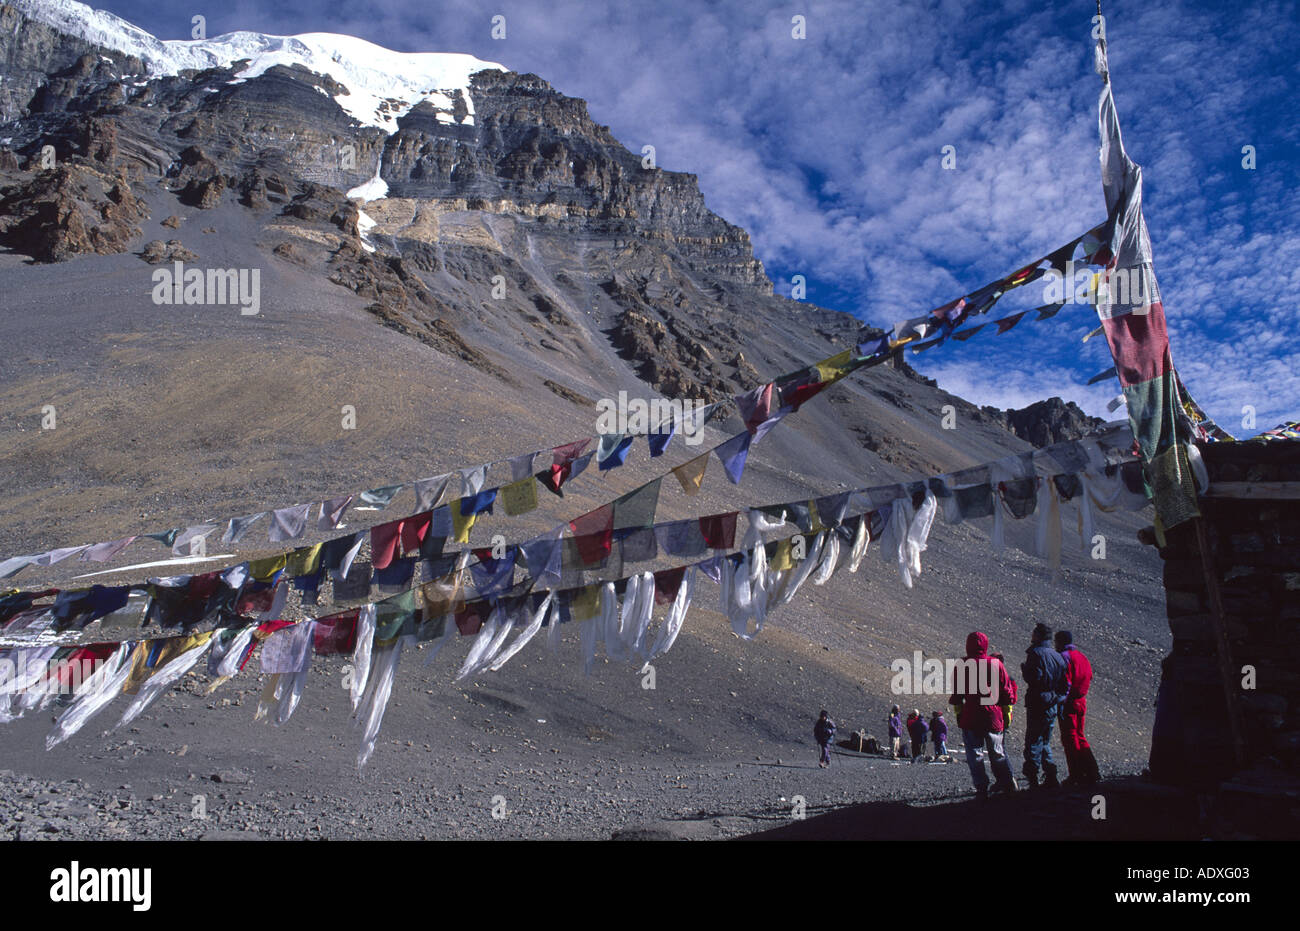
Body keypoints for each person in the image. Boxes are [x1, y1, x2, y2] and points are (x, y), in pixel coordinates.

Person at [949, 631, 1017, 799]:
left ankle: (981, 787)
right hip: (993, 715)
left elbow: (957, 694)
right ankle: (1007, 782)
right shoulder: (995, 664)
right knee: (997, 752)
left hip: (971, 715)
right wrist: (1006, 711)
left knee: (975, 755)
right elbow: (1007, 693)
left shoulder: (962, 665)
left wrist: (959, 713)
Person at [1020, 623, 1068, 789]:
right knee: (1045, 739)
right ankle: (1051, 774)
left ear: (1038, 636)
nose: (1031, 635)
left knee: (1033, 740)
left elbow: (1035, 678)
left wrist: (1025, 671)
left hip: (1038, 702)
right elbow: (1063, 684)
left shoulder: (1035, 654)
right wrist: (1057, 698)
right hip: (1052, 703)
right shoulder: (1057, 656)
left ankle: (1033, 778)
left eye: (1034, 633)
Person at [1055, 631, 1100, 786]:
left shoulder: (1064, 657)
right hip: (1081, 701)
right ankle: (1092, 771)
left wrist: (1060, 701)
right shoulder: (1081, 656)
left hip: (1069, 703)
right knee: (1080, 735)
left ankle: (1076, 774)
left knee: (1069, 738)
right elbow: (1090, 676)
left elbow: (1066, 682)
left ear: (1059, 642)